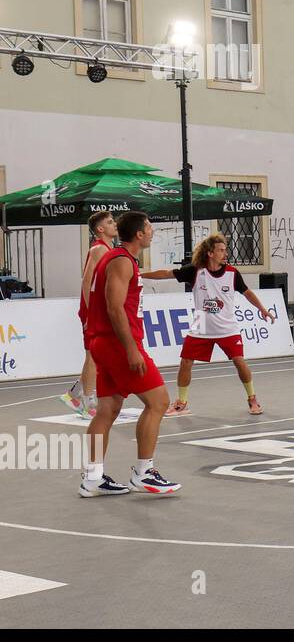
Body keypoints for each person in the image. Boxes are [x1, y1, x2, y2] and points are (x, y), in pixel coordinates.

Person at [78, 211, 180, 497]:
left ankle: (92, 478)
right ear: (139, 234)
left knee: (107, 411)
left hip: (105, 342)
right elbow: (114, 308)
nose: (152, 232)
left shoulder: (118, 259)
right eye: (149, 228)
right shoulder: (121, 261)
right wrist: (131, 349)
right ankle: (143, 472)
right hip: (116, 344)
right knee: (159, 401)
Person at [141, 232, 274, 416]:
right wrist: (139, 274)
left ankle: (252, 399)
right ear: (210, 253)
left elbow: (247, 292)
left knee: (239, 361)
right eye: (220, 250)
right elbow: (166, 274)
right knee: (186, 362)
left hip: (227, 326)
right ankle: (182, 402)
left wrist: (262, 308)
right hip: (202, 323)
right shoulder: (195, 270)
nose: (224, 253)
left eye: (225, 249)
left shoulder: (232, 273)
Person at [59, 212, 118, 419]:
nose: (115, 224)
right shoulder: (100, 248)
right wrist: (91, 312)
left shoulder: (106, 248)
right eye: (110, 222)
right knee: (93, 355)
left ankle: (74, 395)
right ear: (100, 229)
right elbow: (86, 281)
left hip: (95, 309)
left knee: (94, 355)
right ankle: (88, 401)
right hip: (92, 310)